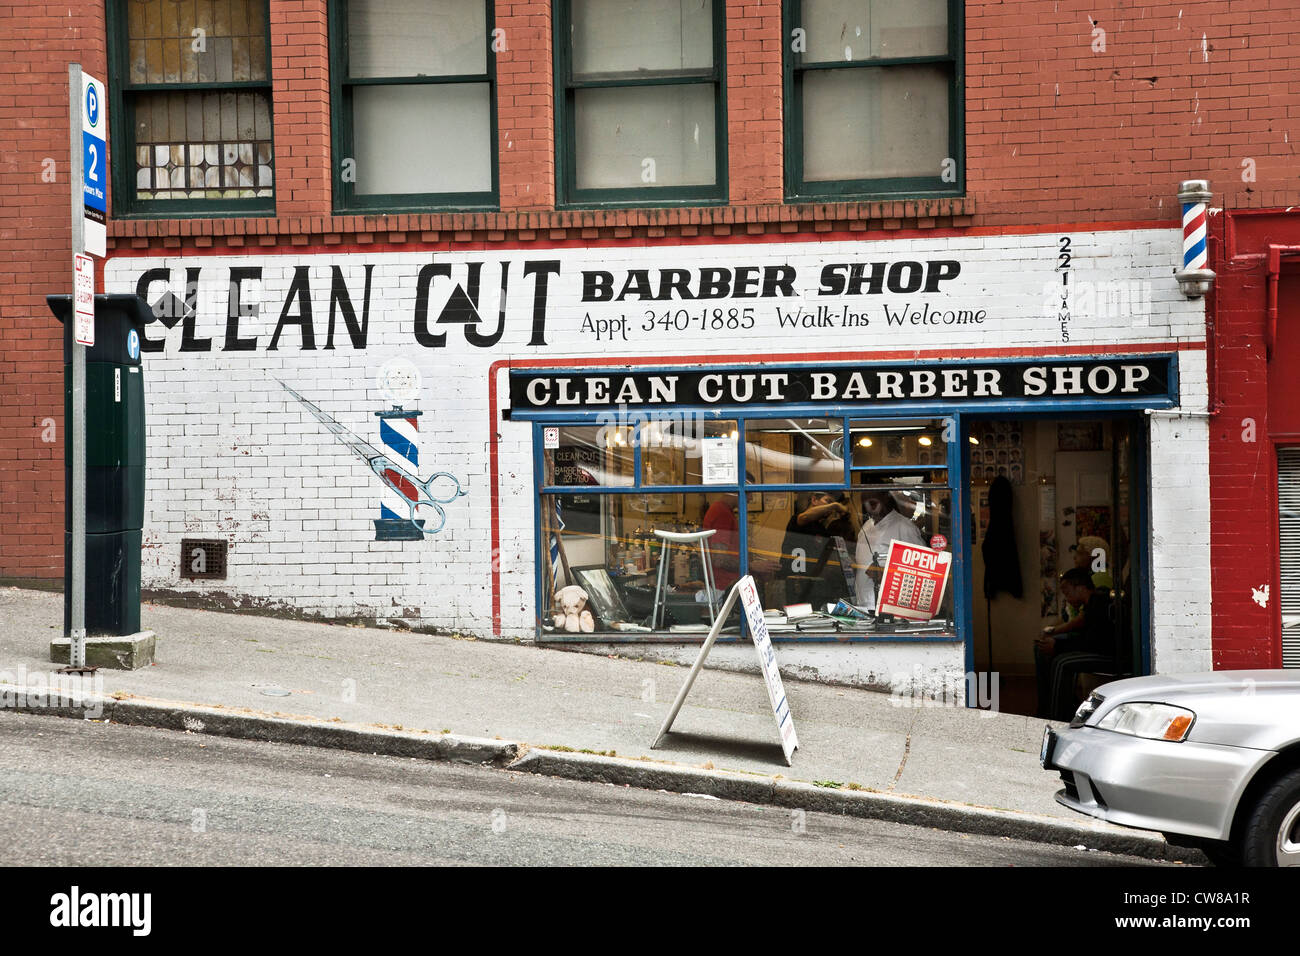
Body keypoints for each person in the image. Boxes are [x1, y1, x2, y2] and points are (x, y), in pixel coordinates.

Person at [1034, 567, 1118, 720]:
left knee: (1062, 662)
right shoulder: (1091, 603)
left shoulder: (1099, 602)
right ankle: (1050, 708)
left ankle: (1057, 716)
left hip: (1109, 655)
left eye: (1067, 592)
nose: (1066, 597)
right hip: (1100, 649)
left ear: (1080, 588)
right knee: (1056, 656)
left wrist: (1058, 646)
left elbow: (1092, 642)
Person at [779, 491, 856, 604]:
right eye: (827, 501)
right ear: (814, 500)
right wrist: (834, 505)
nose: (830, 508)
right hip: (792, 582)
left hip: (812, 585)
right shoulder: (798, 520)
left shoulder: (822, 530)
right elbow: (804, 516)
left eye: (832, 505)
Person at [854, 489, 926, 608]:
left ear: (885, 498)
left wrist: (888, 572)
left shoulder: (904, 526)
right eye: (865, 502)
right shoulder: (866, 526)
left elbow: (922, 567)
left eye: (872, 502)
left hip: (890, 607)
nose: (869, 506)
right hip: (863, 604)